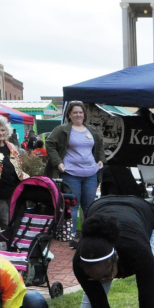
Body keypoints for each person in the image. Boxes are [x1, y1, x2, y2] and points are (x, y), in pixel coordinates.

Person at [44, 102, 105, 239]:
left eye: (80, 112)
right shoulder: (62, 129)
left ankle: (89, 235)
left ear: (84, 114)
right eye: (75, 112)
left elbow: (100, 145)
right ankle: (70, 234)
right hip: (71, 174)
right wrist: (58, 162)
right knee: (72, 206)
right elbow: (49, 144)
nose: (78, 115)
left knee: (89, 206)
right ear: (69, 115)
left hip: (91, 174)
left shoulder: (91, 130)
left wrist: (100, 160)